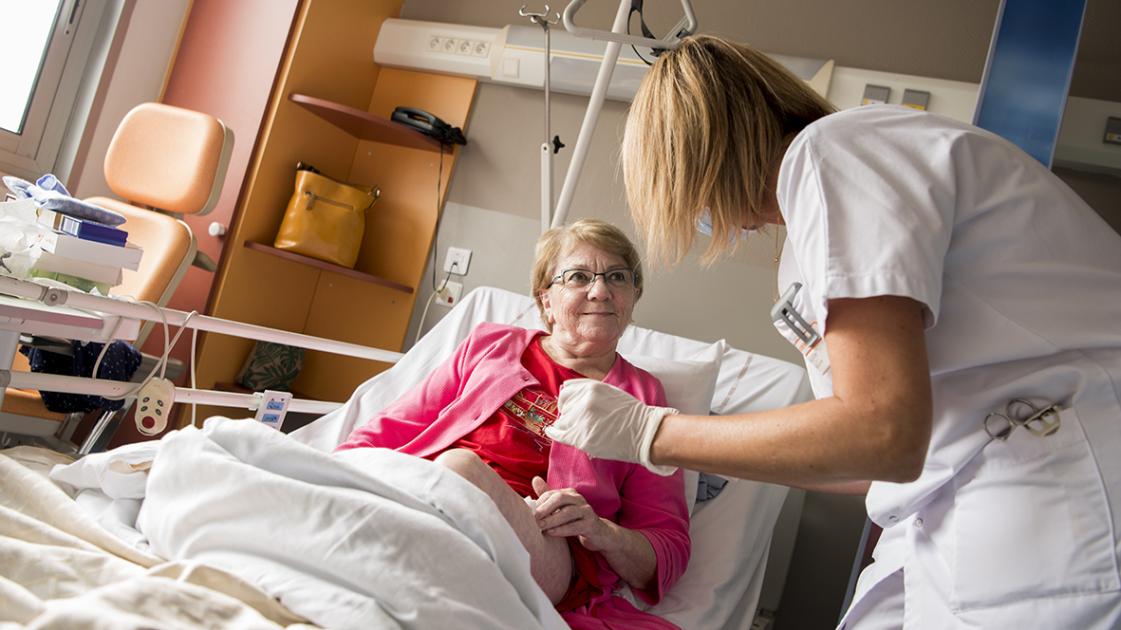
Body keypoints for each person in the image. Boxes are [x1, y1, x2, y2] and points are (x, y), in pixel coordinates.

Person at [547, 35, 1121, 628]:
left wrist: (651, 432)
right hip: (954, 501)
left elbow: (880, 430)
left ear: (701, 154)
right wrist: (709, 447)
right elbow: (869, 460)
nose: (695, 212)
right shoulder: (813, 226)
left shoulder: (835, 152)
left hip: (1057, 483)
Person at [336, 219, 690, 629]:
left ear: (632, 296)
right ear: (546, 300)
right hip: (424, 498)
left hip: (545, 549)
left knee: (462, 468)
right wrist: (331, 478)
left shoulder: (643, 397)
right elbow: (389, 432)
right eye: (578, 277)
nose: (600, 290)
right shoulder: (491, 346)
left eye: (617, 277)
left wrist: (600, 530)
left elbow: (669, 549)